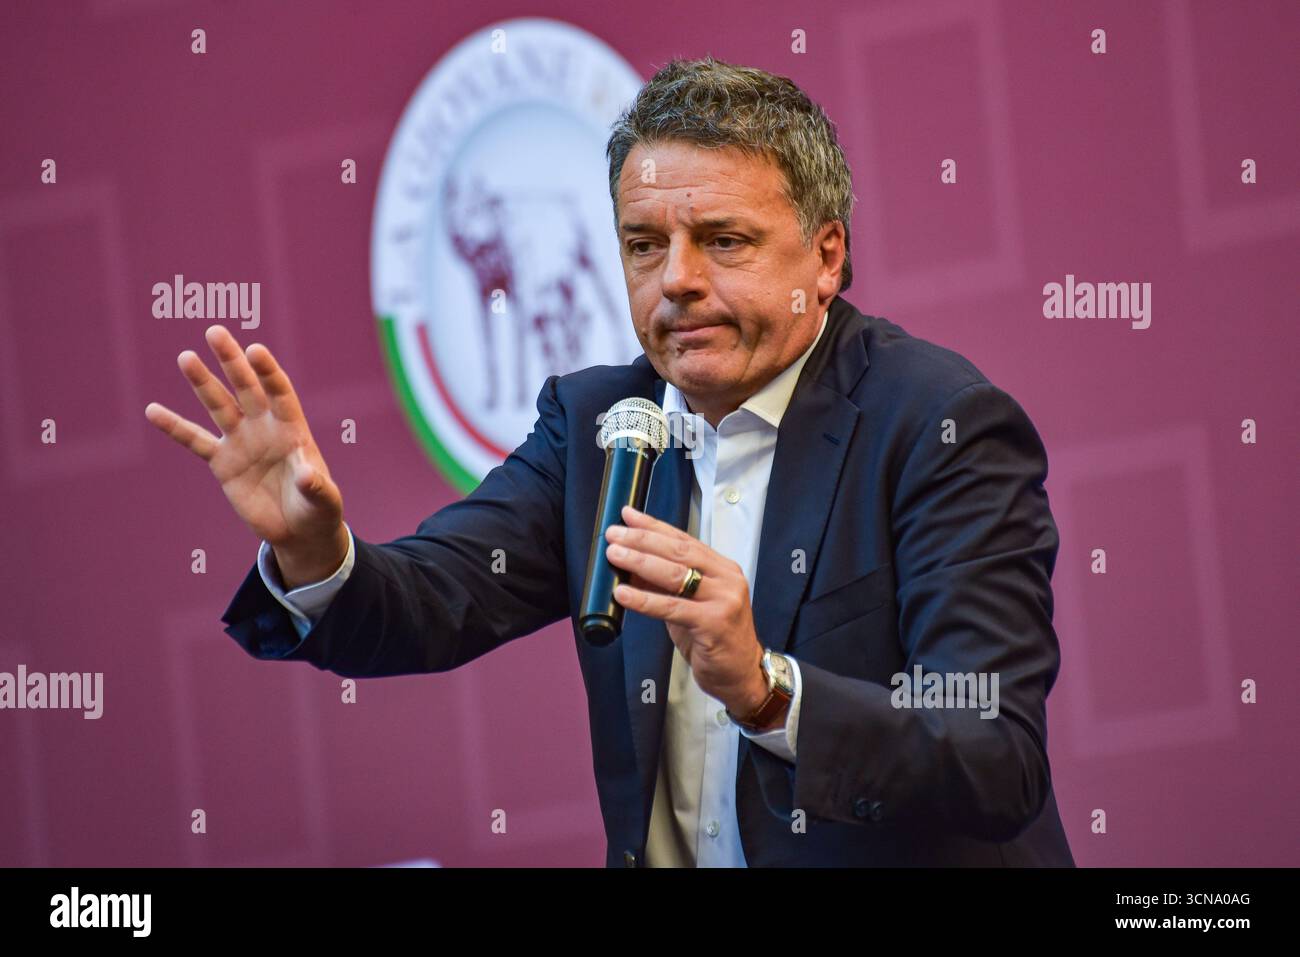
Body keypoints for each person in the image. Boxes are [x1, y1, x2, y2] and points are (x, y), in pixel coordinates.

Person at [144, 57, 1074, 867]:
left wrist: (765, 687)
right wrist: (316, 549)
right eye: (644, 245)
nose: (676, 278)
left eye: (723, 241)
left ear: (825, 255)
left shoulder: (939, 427)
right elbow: (430, 602)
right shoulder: (602, 424)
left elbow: (991, 753)